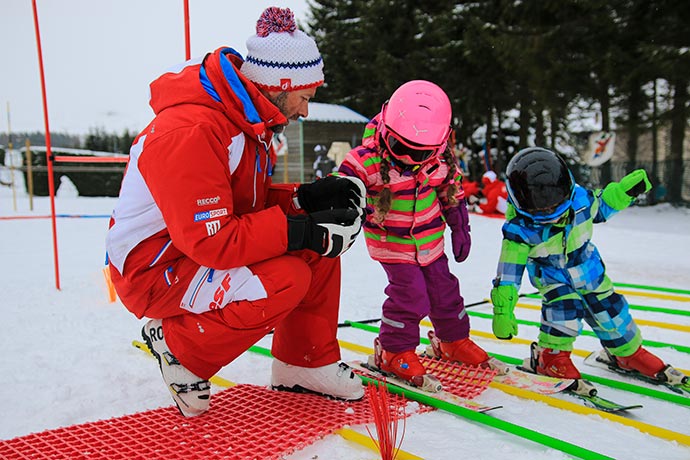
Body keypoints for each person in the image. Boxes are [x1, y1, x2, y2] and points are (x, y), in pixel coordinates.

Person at [106, 7, 368, 418]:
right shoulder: (193, 131)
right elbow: (212, 239)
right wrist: (302, 231)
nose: (304, 111)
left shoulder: (248, 123)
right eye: (305, 97)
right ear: (282, 85)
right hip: (155, 270)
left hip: (190, 251)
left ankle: (305, 361)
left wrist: (306, 200)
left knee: (318, 255)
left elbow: (248, 208)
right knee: (284, 278)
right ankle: (179, 346)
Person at [337, 80, 506, 392]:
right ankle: (393, 351)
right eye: (401, 149)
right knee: (411, 296)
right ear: (387, 130)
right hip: (393, 245)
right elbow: (343, 186)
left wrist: (459, 224)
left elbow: (451, 190)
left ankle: (452, 341)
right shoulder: (367, 160)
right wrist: (345, 208)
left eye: (422, 153)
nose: (411, 160)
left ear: (439, 147)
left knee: (445, 292)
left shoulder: (439, 163)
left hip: (431, 242)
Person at [490, 147, 687, 388]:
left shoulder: (580, 202)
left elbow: (603, 205)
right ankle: (550, 356)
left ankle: (627, 353)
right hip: (554, 279)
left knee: (611, 309)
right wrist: (503, 310)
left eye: (553, 204)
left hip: (589, 271)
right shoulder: (520, 231)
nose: (549, 211)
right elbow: (508, 275)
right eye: (539, 207)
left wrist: (624, 192)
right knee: (565, 309)